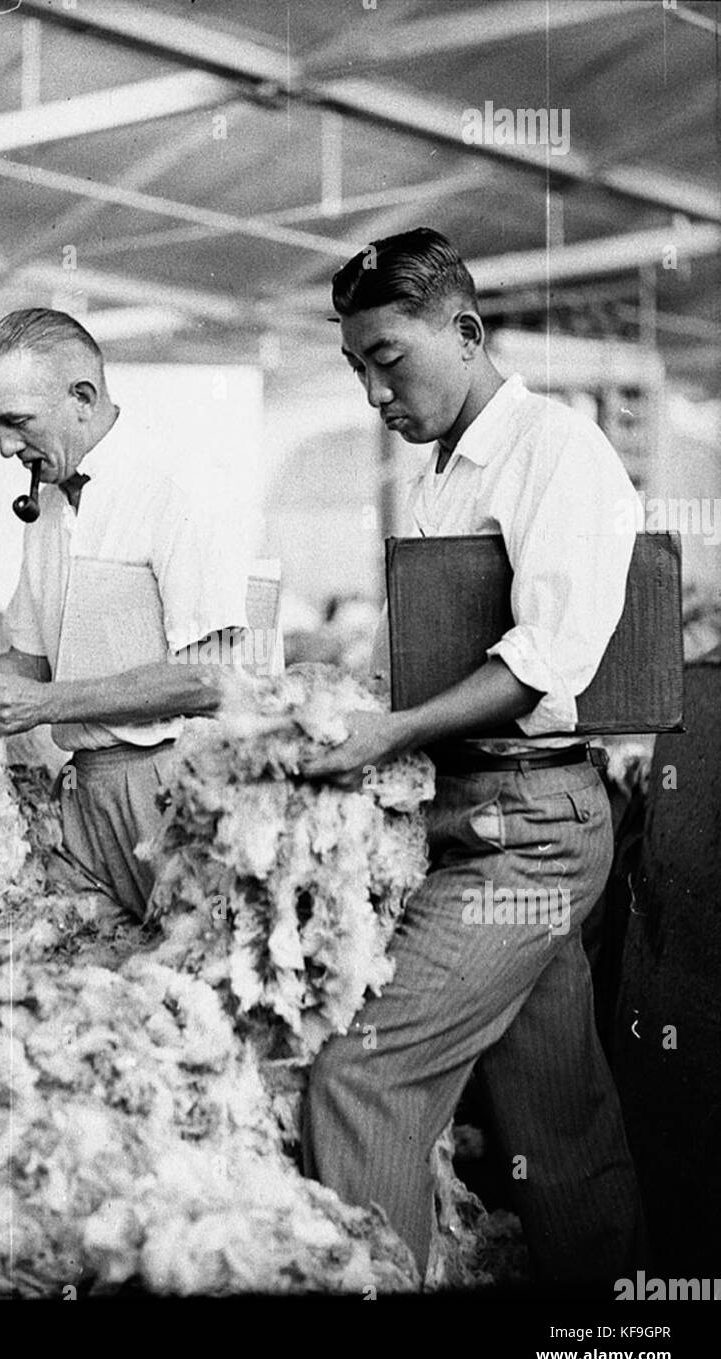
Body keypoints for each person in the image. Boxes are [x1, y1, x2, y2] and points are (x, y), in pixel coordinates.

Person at [299, 227, 645, 1286]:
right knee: (556, 1112)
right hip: (476, 814)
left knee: (362, 1077)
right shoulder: (444, 476)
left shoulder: (555, 447)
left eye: (388, 360)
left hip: (526, 833)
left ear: (466, 330)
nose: (372, 394)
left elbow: (543, 661)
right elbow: (440, 656)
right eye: (356, 367)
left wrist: (393, 732)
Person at [0, 308, 255, 920]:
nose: (5, 446)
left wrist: (45, 706)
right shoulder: (51, 502)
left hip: (172, 793)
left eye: (16, 422)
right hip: (84, 795)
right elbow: (35, 660)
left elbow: (212, 680)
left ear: (83, 398)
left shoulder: (177, 490)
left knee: (187, 983)